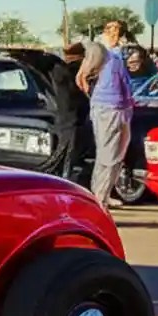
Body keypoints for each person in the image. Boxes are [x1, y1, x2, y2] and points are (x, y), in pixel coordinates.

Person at [77, 20, 135, 208]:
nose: (115, 32)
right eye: (111, 28)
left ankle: (105, 192)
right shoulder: (99, 50)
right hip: (107, 107)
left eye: (118, 29)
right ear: (105, 31)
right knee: (107, 154)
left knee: (118, 154)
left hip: (123, 106)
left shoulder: (121, 52)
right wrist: (94, 94)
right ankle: (98, 197)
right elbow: (82, 76)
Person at [52, 42, 91, 185]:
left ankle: (62, 175)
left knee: (67, 150)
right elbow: (76, 91)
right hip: (72, 117)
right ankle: (65, 179)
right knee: (69, 152)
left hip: (66, 116)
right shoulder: (69, 71)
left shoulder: (59, 69)